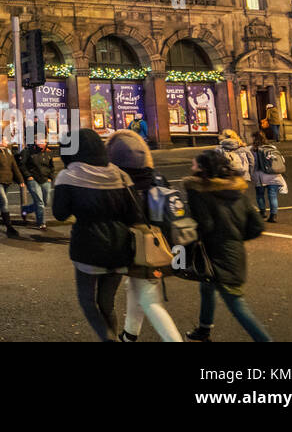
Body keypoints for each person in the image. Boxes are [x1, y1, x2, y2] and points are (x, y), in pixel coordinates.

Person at [52, 129, 138, 342]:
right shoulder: (120, 175)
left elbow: (60, 214)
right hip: (120, 247)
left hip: (88, 248)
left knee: (87, 301)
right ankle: (112, 337)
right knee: (107, 302)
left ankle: (109, 340)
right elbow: (134, 214)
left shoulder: (68, 176)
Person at [184, 149, 271, 341]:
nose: (192, 168)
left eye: (194, 165)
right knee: (206, 287)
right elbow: (257, 225)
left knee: (237, 304)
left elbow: (205, 225)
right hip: (234, 253)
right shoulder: (236, 192)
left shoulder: (200, 192)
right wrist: (235, 238)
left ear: (203, 169)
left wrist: (186, 240)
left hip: (218, 257)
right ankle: (204, 328)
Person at [105, 129, 182, 342]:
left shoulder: (120, 181)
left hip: (139, 247)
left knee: (150, 300)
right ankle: (130, 334)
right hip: (159, 244)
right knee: (136, 286)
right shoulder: (157, 178)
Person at [250, 131, 286, 222]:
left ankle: (262, 212)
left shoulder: (253, 149)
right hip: (273, 175)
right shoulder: (272, 147)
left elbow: (252, 163)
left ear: (254, 138)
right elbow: (282, 160)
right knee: (272, 195)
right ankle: (273, 215)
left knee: (260, 194)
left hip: (260, 176)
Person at [18, 139, 54, 230]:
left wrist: (50, 178)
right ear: (35, 141)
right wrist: (28, 176)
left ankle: (25, 210)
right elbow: (22, 165)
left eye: (44, 141)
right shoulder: (28, 151)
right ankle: (41, 223)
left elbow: (51, 166)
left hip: (45, 179)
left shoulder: (49, 152)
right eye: (40, 141)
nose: (42, 143)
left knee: (45, 202)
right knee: (39, 202)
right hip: (33, 179)